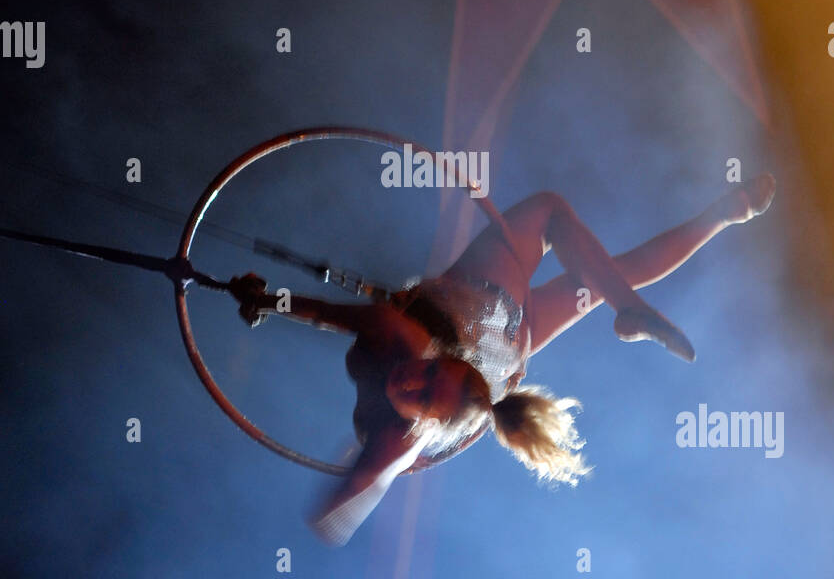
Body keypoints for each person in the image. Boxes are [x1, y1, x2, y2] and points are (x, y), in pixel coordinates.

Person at [229, 174, 775, 546]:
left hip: (504, 343)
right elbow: (326, 313)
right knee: (549, 212)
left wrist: (340, 499)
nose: (410, 378)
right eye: (428, 375)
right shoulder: (398, 347)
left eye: (419, 391)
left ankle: (724, 215)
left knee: (607, 262)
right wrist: (267, 301)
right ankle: (630, 305)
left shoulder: (397, 437)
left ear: (425, 422)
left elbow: (345, 503)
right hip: (490, 311)